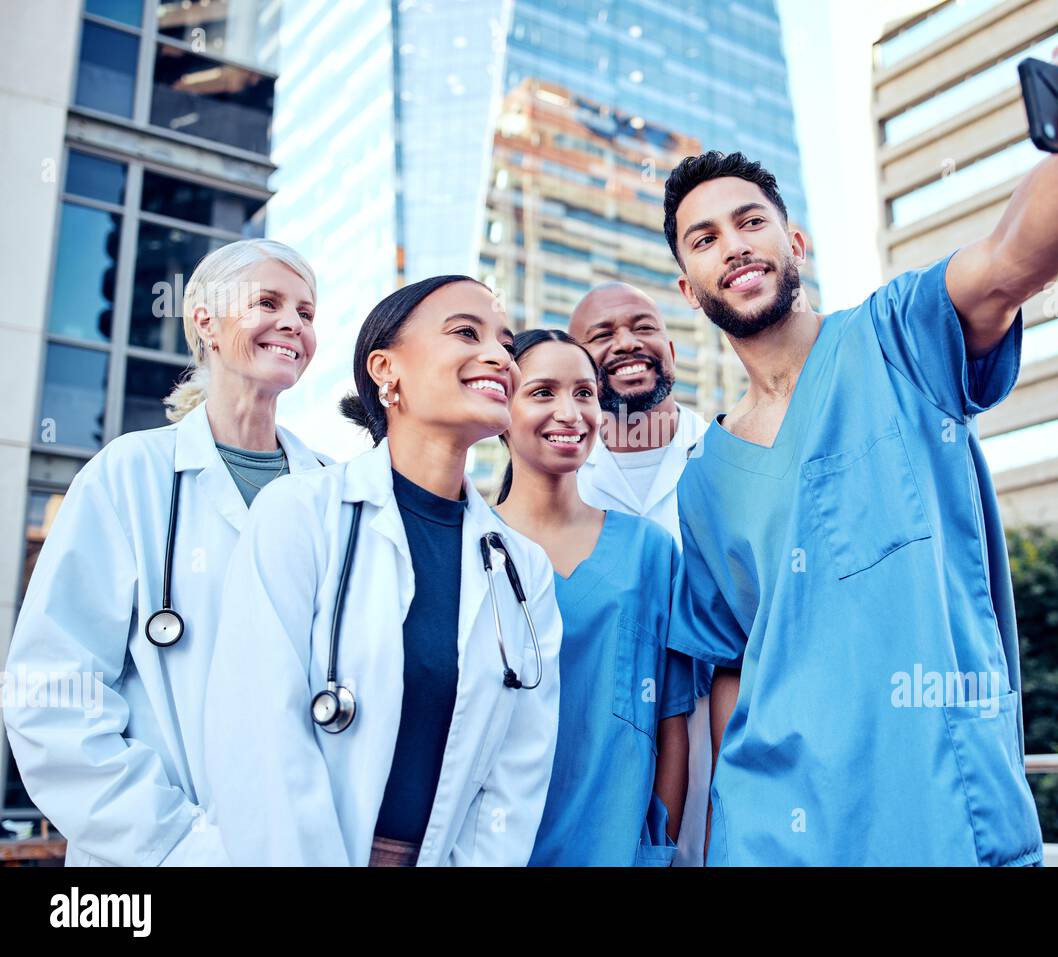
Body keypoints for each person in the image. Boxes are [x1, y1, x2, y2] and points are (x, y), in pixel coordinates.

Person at [662, 39, 1058, 865]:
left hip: (938, 815)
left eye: (750, 220)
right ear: (688, 289)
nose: (733, 243)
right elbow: (727, 666)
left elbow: (1011, 259)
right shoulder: (702, 480)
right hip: (768, 837)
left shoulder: (898, 337)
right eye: (704, 238)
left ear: (795, 243)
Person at [203, 276, 562, 866]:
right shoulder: (299, 514)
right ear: (384, 368)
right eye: (465, 333)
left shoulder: (522, 568)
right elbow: (260, 736)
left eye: (505, 341)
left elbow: (518, 772)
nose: (500, 356)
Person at [4, 239, 327, 865]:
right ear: (204, 319)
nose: (293, 323)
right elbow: (53, 691)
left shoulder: (333, 491)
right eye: (269, 302)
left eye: (307, 313)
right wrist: (177, 843)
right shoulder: (128, 475)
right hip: (152, 855)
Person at [493, 328, 694, 866]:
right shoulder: (469, 546)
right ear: (500, 408)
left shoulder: (649, 552)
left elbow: (671, 722)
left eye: (585, 393)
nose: (569, 412)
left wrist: (656, 849)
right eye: (541, 393)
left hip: (617, 848)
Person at [567, 283, 712, 865]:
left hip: (723, 738)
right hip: (596, 751)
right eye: (601, 335)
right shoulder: (557, 481)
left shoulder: (731, 453)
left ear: (671, 348)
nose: (627, 343)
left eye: (643, 327)